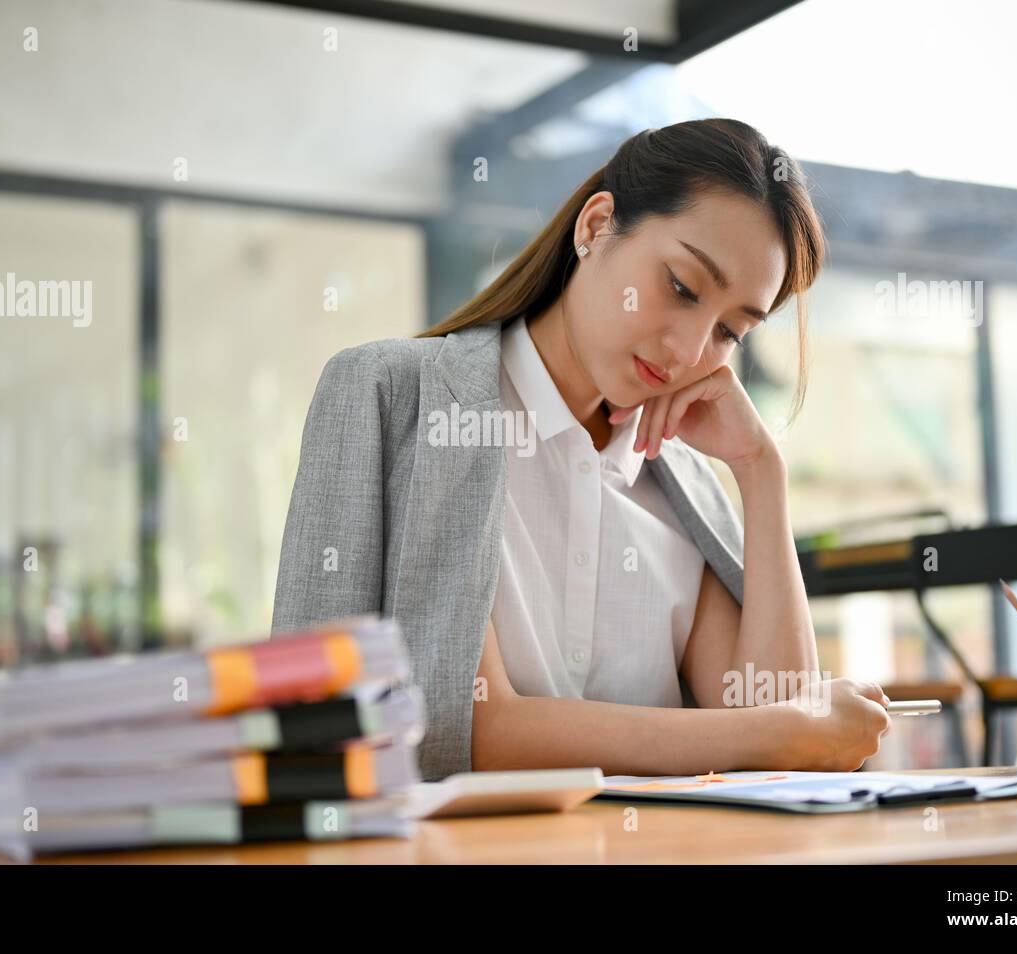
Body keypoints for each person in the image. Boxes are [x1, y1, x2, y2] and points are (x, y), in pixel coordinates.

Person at [272, 118, 891, 782]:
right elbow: (449, 727)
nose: (689, 351)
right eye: (681, 287)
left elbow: (781, 744)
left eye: (730, 332)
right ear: (596, 227)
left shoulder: (683, 486)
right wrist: (778, 732)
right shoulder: (390, 395)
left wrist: (761, 473)